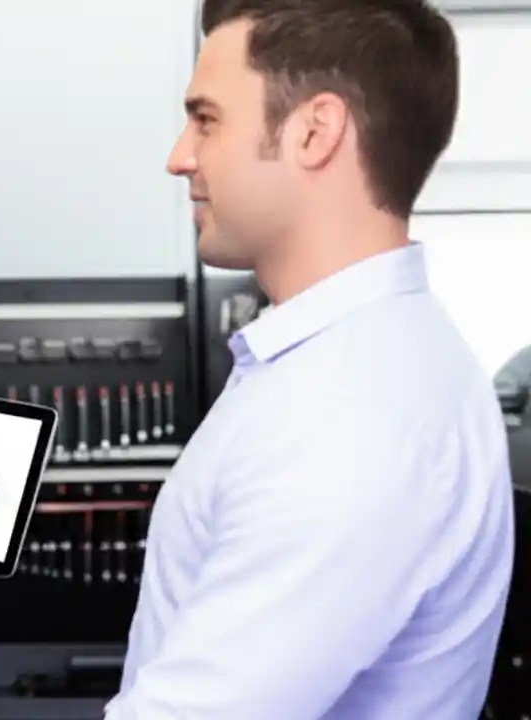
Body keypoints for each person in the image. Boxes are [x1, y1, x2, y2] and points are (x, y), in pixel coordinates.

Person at [105, 2, 515, 719]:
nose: (180, 156)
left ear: (313, 132)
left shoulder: (348, 417)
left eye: (207, 119)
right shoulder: (341, 367)